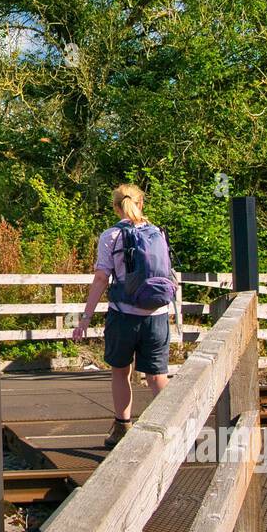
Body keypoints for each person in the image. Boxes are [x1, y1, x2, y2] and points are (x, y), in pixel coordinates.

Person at [71, 184, 176, 449]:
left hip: (124, 315)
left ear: (116, 207)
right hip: (158, 315)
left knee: (121, 372)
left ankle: (122, 428)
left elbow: (101, 278)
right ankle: (175, 429)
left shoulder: (111, 235)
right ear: (142, 204)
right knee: (157, 376)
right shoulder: (158, 233)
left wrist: (85, 317)